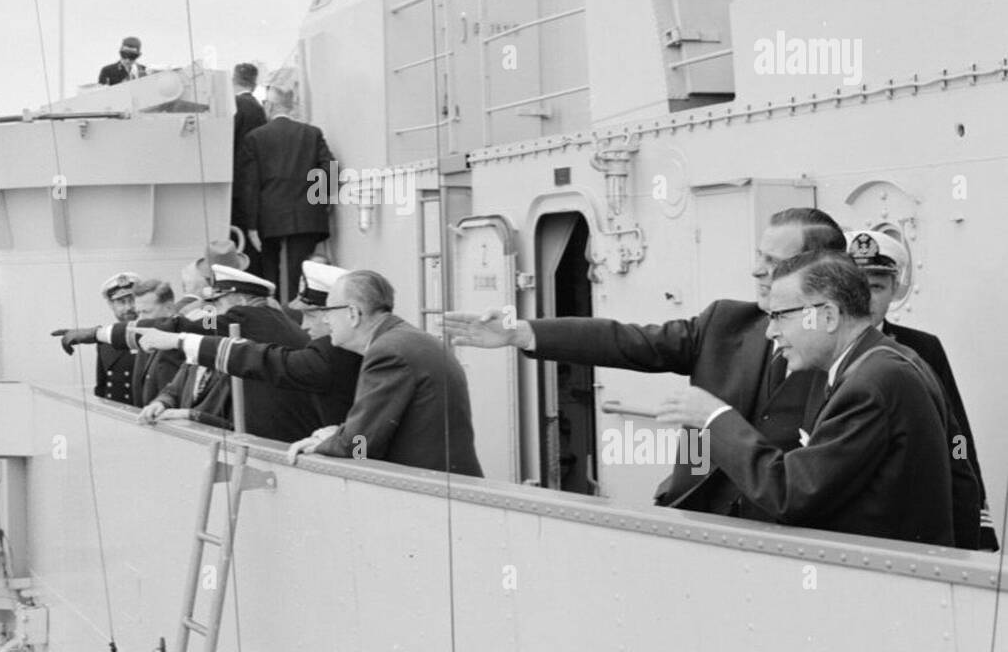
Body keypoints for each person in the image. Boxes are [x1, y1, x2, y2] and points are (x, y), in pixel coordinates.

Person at [444, 208, 847, 518]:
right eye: (759, 255)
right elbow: (627, 340)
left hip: (785, 537)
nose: (756, 269)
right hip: (693, 512)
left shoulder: (845, 353)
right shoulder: (727, 322)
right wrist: (521, 332)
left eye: (773, 262)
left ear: (818, 270)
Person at [654, 252, 970, 546]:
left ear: (829, 316)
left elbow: (791, 494)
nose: (770, 332)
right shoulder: (898, 361)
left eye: (780, 316)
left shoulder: (872, 384)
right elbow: (960, 471)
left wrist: (715, 418)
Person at [844, 229, 996, 550]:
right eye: (855, 287)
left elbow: (957, 438)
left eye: (877, 287)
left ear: (895, 291)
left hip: (915, 522)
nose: (866, 300)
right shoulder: (813, 352)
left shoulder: (922, 348)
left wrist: (976, 520)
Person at [287, 270, 482, 476]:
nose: (326, 320)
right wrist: (340, 434)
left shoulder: (387, 353)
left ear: (353, 313)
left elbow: (359, 448)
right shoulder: (406, 340)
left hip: (428, 495)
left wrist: (321, 444)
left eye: (328, 310)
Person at [134, 260, 361, 430]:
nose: (304, 325)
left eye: (312, 315)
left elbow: (363, 436)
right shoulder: (323, 349)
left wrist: (344, 443)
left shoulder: (326, 355)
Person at [237, 86, 334, 303]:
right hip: (308, 218)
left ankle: (278, 314)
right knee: (301, 275)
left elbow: (250, 185)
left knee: (272, 275)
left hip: (270, 219)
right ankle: (300, 316)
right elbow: (330, 167)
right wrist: (317, 200)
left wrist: (251, 225)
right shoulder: (312, 133)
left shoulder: (255, 137)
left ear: (269, 106)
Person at [52, 272, 140, 404]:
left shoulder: (154, 334)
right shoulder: (104, 341)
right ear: (111, 305)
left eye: (132, 300)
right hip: (118, 417)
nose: (128, 307)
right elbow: (102, 388)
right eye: (121, 302)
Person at [231, 63, 267, 274]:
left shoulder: (236, 107)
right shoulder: (258, 109)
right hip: (253, 185)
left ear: (234, 80)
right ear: (254, 83)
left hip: (235, 187)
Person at [129, 278, 185, 409]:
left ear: (169, 308)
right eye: (138, 313)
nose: (140, 319)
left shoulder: (180, 340)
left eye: (146, 312)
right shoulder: (147, 337)